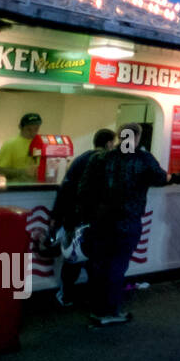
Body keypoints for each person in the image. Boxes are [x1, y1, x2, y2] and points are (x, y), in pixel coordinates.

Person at [78, 122, 169, 326]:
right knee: (117, 266)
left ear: (120, 136)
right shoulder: (143, 158)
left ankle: (96, 309)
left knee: (99, 264)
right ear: (137, 137)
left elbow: (84, 189)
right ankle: (110, 311)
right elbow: (161, 178)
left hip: (100, 222)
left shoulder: (100, 158)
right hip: (128, 221)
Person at [49, 128, 117, 307]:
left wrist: (56, 216)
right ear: (109, 143)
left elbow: (65, 188)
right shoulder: (111, 161)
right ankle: (94, 297)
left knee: (74, 256)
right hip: (100, 218)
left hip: (76, 215)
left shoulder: (81, 160)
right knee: (98, 258)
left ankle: (66, 295)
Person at [0, 112, 43, 183]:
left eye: (36, 129)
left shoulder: (41, 143)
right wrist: (23, 172)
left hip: (38, 190)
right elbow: (0, 170)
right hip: (16, 190)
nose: (33, 133)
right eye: (29, 129)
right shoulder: (10, 144)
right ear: (20, 127)